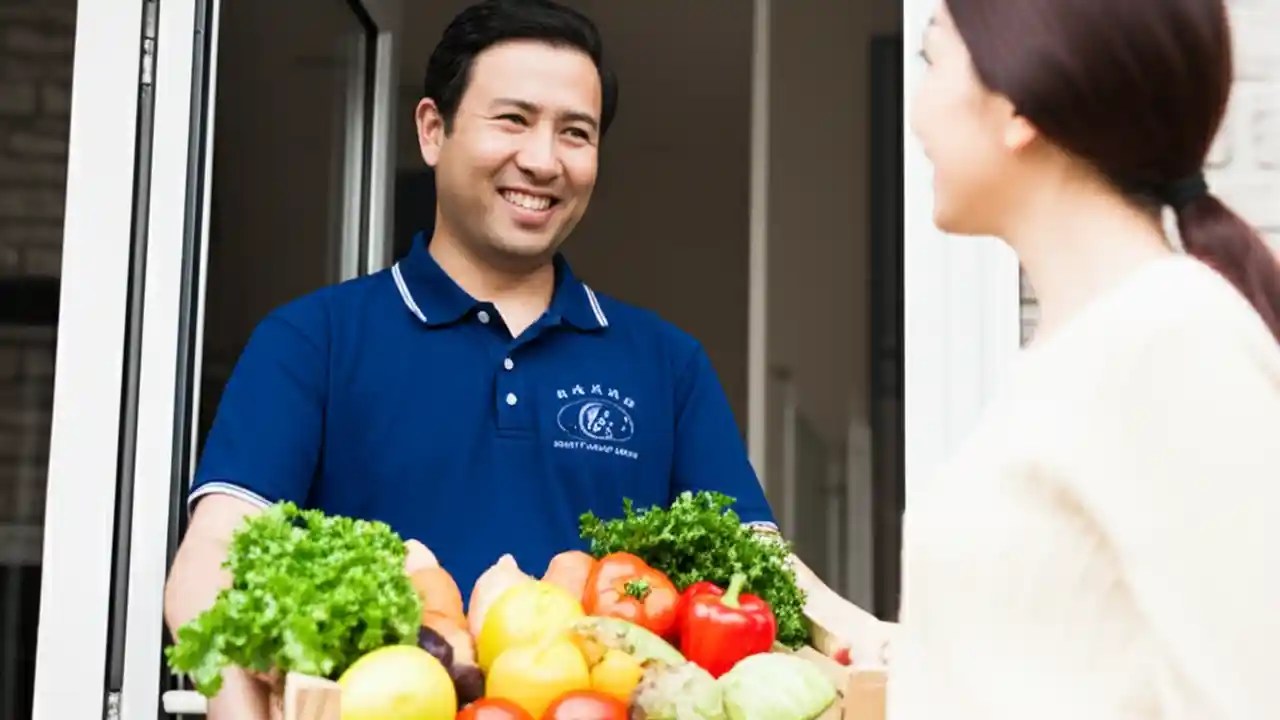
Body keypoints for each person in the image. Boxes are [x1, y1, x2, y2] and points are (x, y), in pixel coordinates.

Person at [163, 1, 785, 716]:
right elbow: (211, 558)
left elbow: (760, 570)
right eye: (513, 120)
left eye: (574, 133)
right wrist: (237, 693)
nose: (543, 160)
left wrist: (877, 639)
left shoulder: (667, 364)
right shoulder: (313, 341)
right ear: (433, 130)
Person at [891, 0, 1280, 718]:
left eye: (930, 60)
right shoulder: (1084, 353)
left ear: (1016, 106)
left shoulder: (1173, 343)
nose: (915, 111)